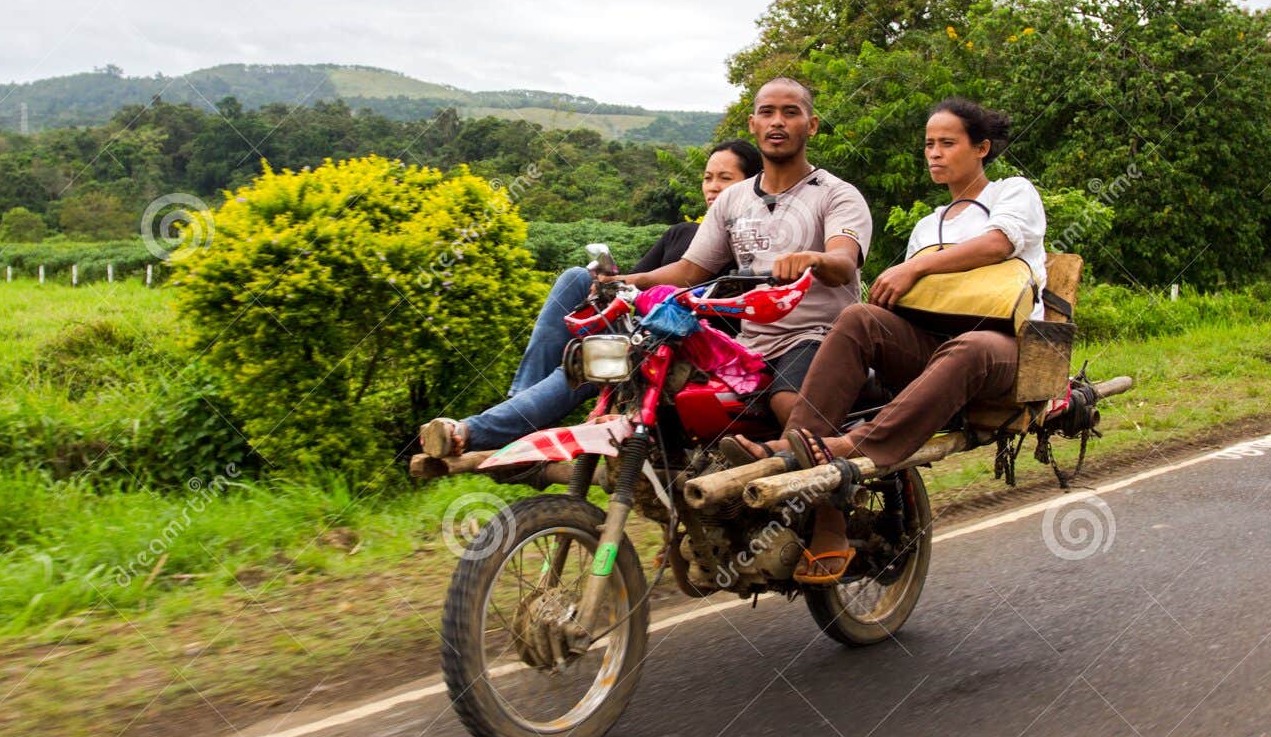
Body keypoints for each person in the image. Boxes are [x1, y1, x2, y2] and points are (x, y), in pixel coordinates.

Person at [728, 97, 1048, 584]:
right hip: (936, 346)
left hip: (1007, 348)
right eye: (928, 144)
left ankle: (847, 447)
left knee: (970, 349)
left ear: (981, 148)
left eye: (947, 143)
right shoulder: (929, 225)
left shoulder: (1012, 192)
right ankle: (794, 447)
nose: (934, 154)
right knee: (859, 318)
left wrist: (914, 265)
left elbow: (998, 244)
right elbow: (920, 302)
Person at [419, 139, 762, 457]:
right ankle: (520, 405)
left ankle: (477, 429)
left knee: (596, 354)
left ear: (748, 186)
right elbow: (628, 285)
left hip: (682, 347)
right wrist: (604, 282)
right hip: (638, 328)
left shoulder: (749, 246)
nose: (713, 187)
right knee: (575, 278)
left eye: (725, 178)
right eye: (707, 178)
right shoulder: (682, 234)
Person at [613, 78, 873, 426]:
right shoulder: (733, 199)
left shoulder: (836, 195)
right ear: (753, 125)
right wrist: (629, 280)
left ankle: (808, 467)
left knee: (786, 404)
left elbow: (843, 263)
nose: (777, 121)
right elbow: (691, 271)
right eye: (767, 113)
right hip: (750, 342)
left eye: (790, 113)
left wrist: (813, 259)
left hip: (819, 335)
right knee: (675, 396)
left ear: (811, 126)